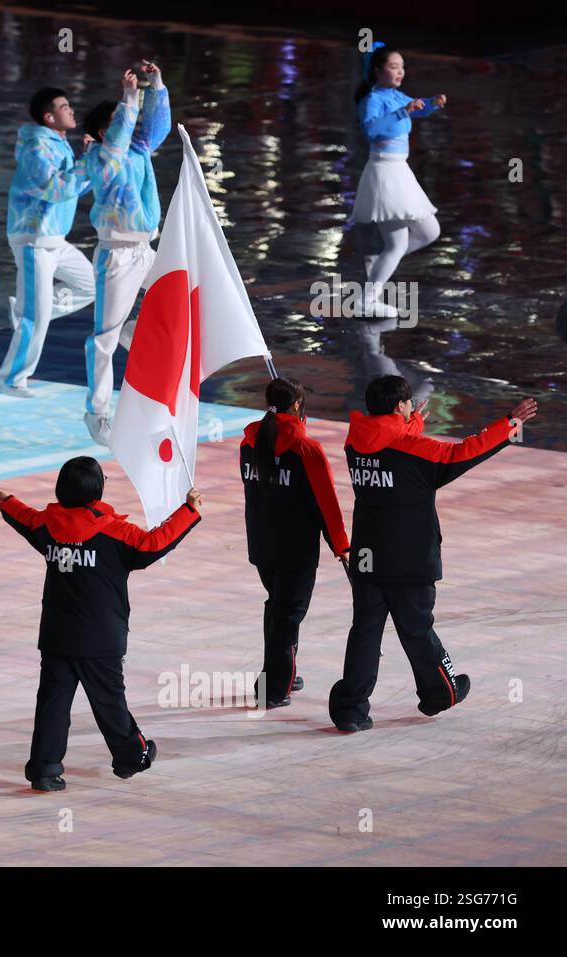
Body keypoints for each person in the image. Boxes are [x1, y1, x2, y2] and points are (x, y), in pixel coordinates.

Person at [329, 376, 538, 732]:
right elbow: (464, 452)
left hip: (366, 557)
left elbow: (393, 450)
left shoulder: (355, 443)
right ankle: (442, 691)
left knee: (365, 631)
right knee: (417, 631)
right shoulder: (417, 452)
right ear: (399, 407)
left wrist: (411, 424)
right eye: (408, 405)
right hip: (409, 560)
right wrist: (510, 424)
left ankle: (350, 709)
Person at [0, 457, 201, 791]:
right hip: (101, 639)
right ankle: (131, 756)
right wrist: (188, 511)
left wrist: (8, 503)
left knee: (52, 704)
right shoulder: (116, 533)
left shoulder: (47, 526)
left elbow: (28, 520)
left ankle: (44, 768)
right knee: (109, 702)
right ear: (96, 490)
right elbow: (155, 543)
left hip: (57, 635)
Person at [239, 378, 349, 708]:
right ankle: (273, 689)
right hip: (295, 550)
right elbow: (326, 503)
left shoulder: (248, 444)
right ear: (297, 406)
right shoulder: (306, 450)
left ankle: (281, 674)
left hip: (261, 545)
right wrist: (341, 545)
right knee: (287, 615)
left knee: (279, 607)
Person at [80, 62, 170, 444]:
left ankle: (132, 333)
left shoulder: (137, 149)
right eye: (121, 119)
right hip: (116, 256)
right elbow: (115, 144)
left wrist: (155, 86)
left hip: (145, 250)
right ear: (105, 131)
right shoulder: (101, 158)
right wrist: (128, 97)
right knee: (102, 338)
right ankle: (96, 413)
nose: (129, 124)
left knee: (178, 297)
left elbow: (157, 128)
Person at [0, 87, 95, 398]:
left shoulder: (59, 144)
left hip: (55, 239)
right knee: (34, 317)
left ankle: (30, 311)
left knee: (91, 285)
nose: (72, 110)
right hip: (33, 239)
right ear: (49, 116)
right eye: (65, 106)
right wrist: (84, 163)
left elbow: (73, 188)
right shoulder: (37, 146)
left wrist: (88, 161)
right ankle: (11, 379)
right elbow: (55, 189)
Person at [351, 45, 447, 318]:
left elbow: (415, 107)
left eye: (402, 66)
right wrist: (402, 112)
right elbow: (371, 130)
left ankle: (378, 264)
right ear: (378, 71)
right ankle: (366, 300)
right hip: (384, 173)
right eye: (394, 66)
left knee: (430, 231)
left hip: (401, 172)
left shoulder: (395, 97)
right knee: (395, 244)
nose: (400, 71)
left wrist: (431, 103)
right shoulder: (372, 100)